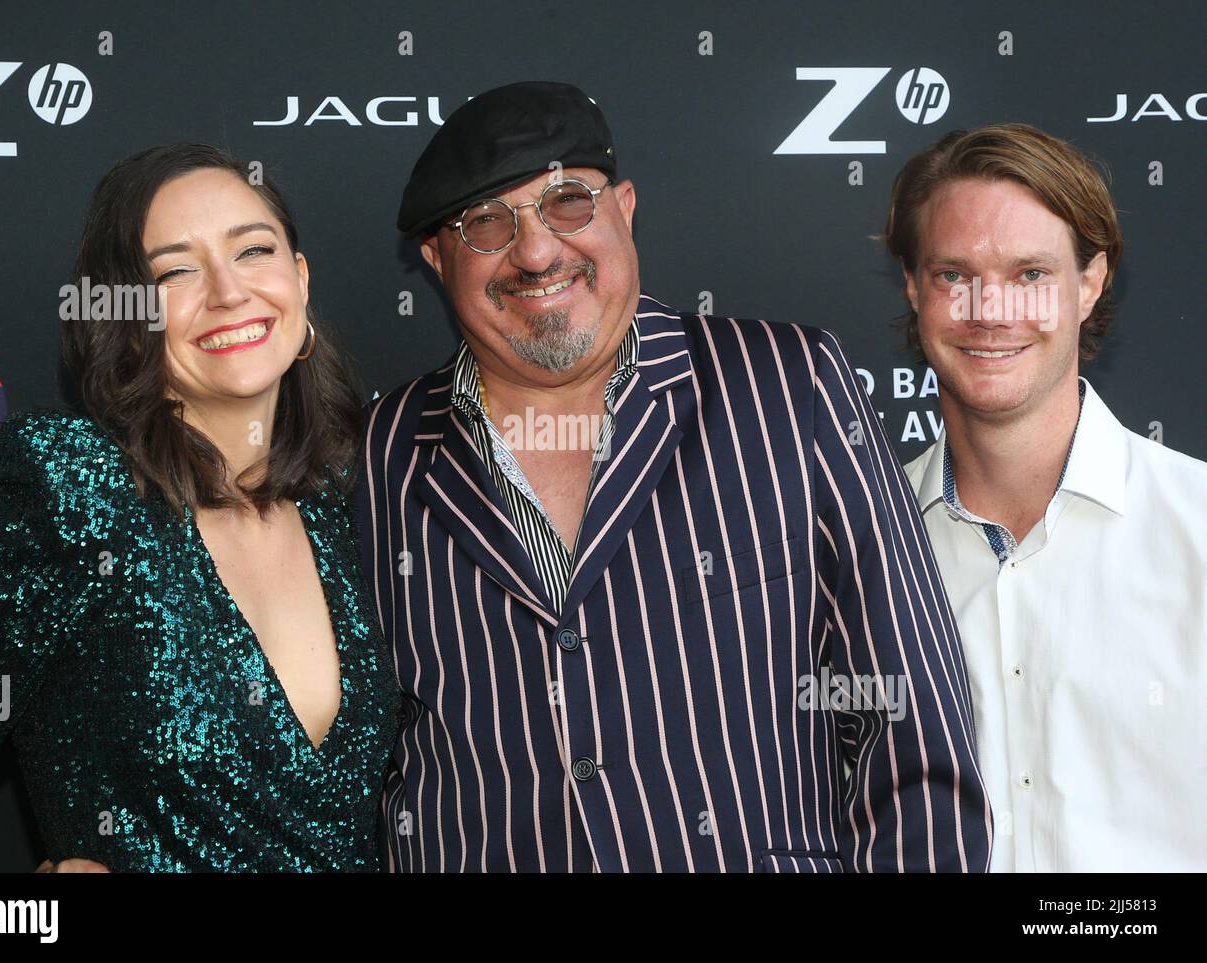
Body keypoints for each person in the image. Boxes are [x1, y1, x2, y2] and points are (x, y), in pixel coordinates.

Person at [359, 81, 992, 872]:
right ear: (435, 256)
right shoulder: (391, 442)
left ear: (625, 206)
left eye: (568, 202)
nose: (536, 251)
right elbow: (384, 752)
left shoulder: (789, 385)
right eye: (486, 221)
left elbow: (913, 724)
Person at [0, 144, 400, 872]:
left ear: (299, 279)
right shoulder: (66, 485)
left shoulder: (345, 498)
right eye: (175, 270)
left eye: (254, 250)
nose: (229, 292)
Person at [888, 123, 1207, 871]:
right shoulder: (860, 549)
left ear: (1091, 281)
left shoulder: (1199, 529)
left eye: (1030, 274)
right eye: (953, 275)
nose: (990, 310)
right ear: (912, 284)